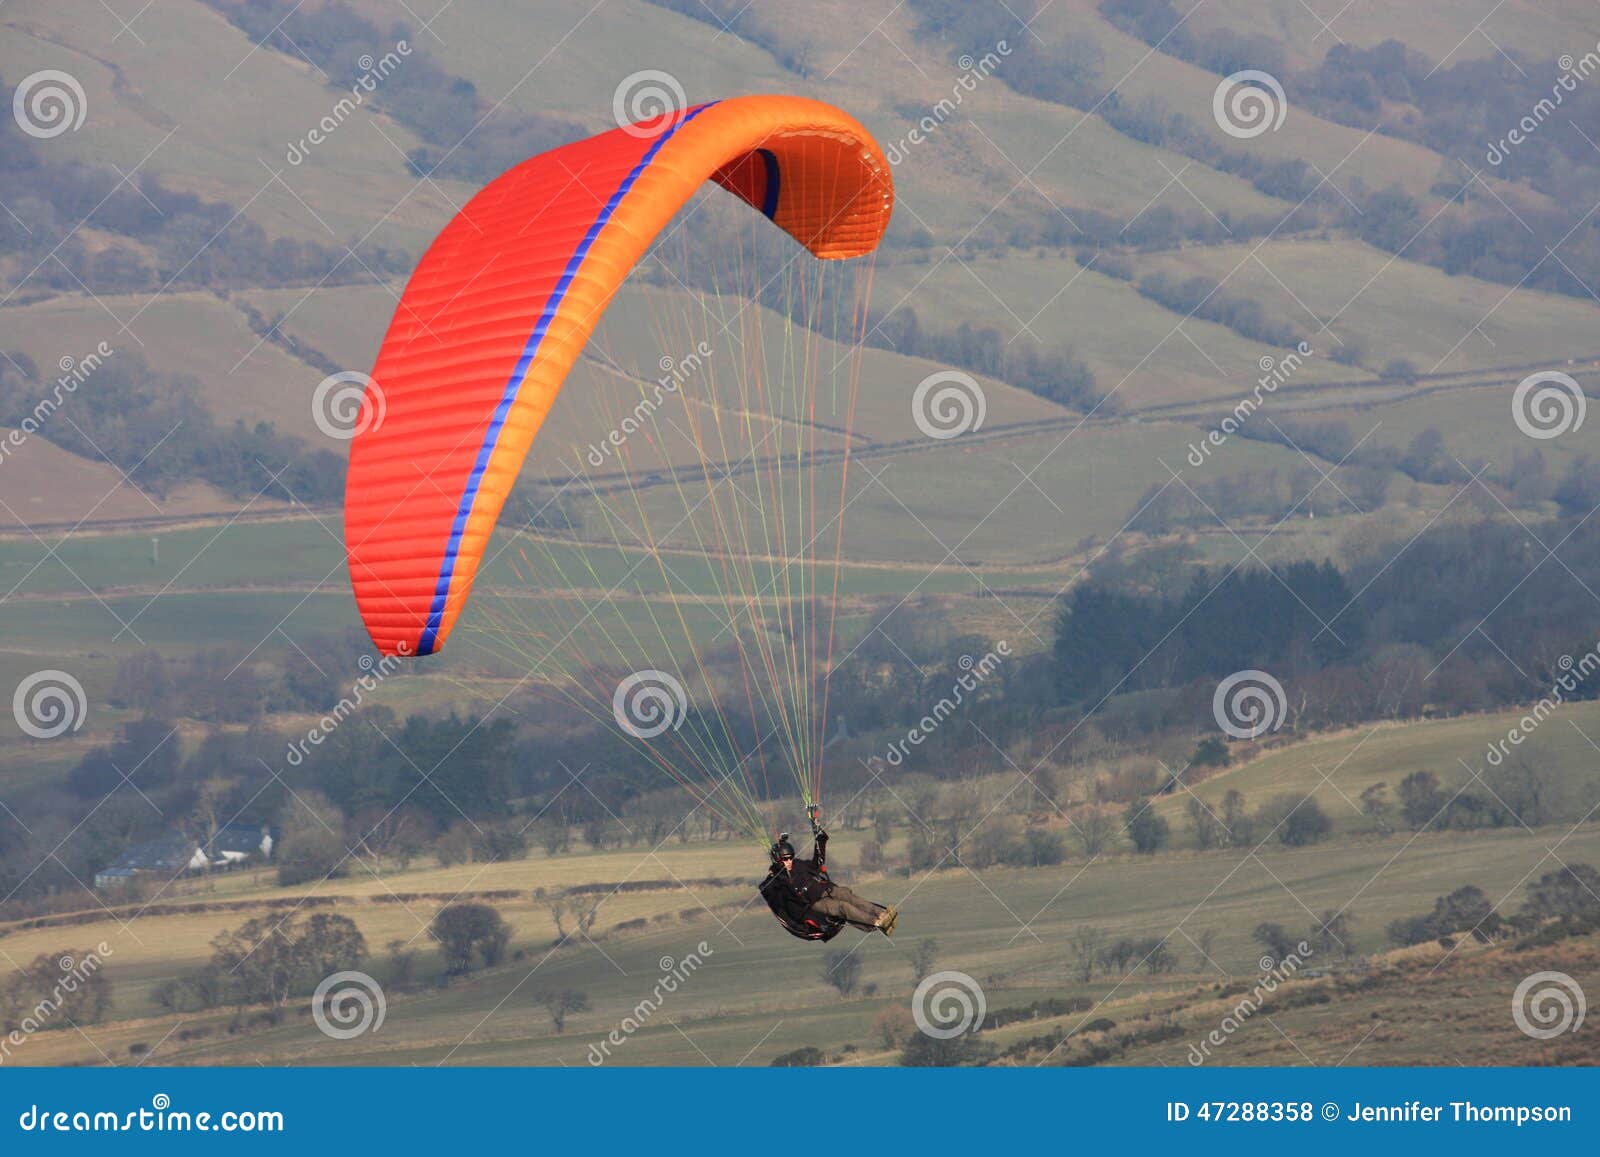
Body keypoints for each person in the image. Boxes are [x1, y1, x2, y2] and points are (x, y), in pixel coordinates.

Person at [759, 811, 897, 940]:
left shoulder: (799, 864)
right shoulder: (776, 881)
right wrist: (777, 873)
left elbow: (817, 863)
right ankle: (876, 922)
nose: (789, 861)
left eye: (791, 857)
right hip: (816, 903)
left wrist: (819, 838)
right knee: (843, 907)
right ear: (777, 860)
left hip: (826, 889)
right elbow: (775, 898)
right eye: (785, 859)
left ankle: (883, 914)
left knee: (849, 896)